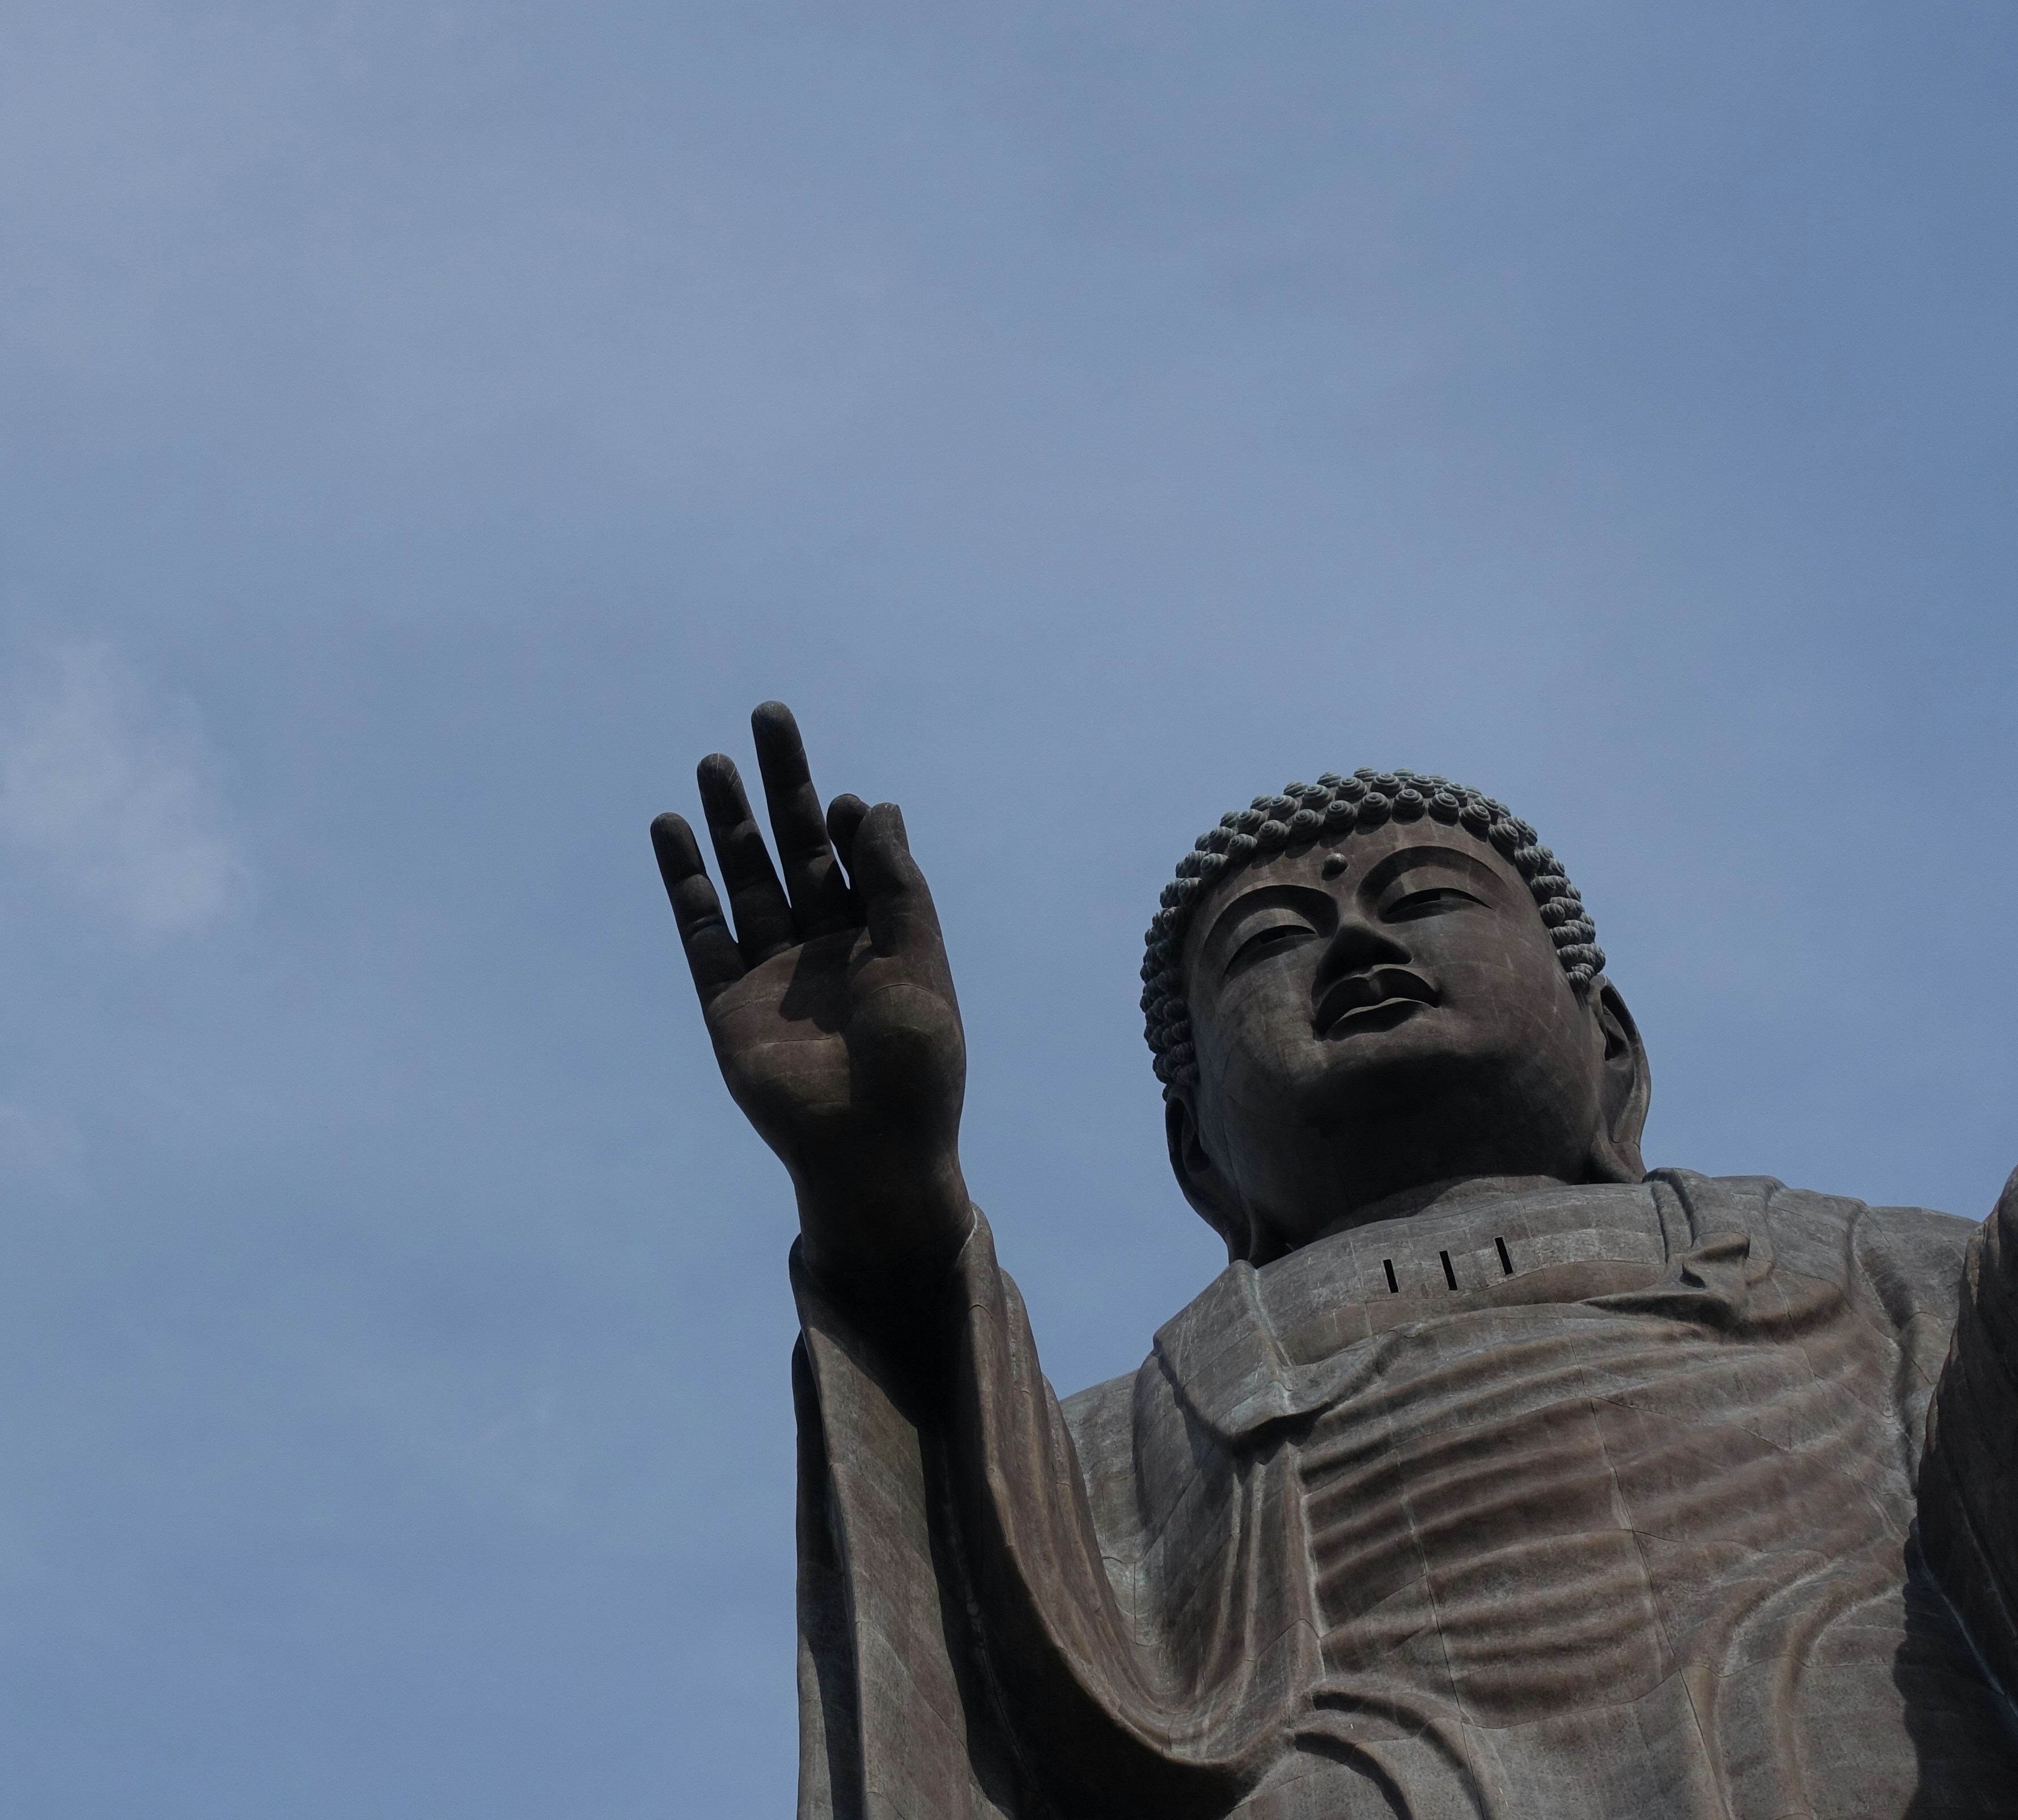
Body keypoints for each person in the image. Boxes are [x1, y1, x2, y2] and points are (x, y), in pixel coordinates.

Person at [649, 705, 2018, 1818]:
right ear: (1197, 1152)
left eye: (1427, 898)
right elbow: (990, 1661)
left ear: (1611, 1046)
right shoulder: (1130, 1433)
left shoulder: (1872, 1269)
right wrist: (884, 1191)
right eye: (1270, 943)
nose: (1356, 941)